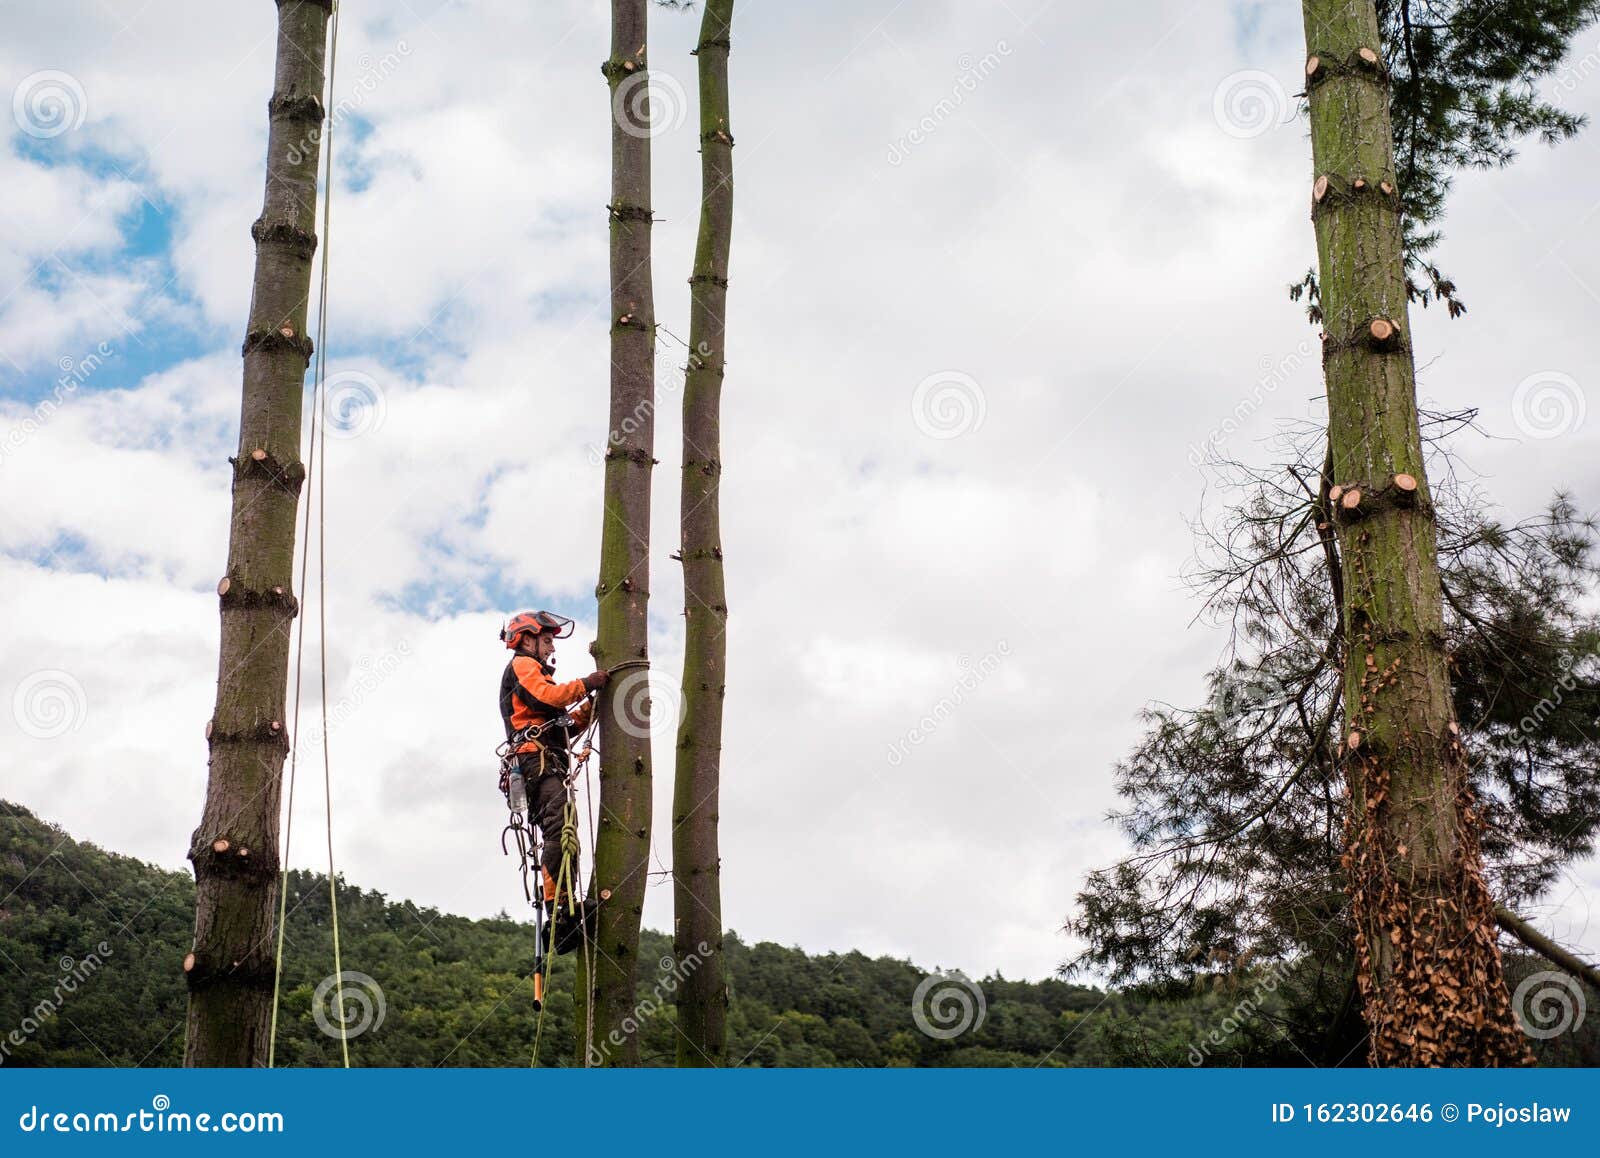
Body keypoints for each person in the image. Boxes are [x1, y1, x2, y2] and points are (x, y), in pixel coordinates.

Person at [497, 611, 609, 923]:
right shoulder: (523, 665)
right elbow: (549, 697)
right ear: (527, 638)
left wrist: (592, 706)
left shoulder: (535, 672)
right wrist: (588, 683)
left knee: (563, 830)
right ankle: (559, 908)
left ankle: (564, 904)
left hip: (545, 760)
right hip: (535, 760)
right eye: (547, 640)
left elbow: (563, 725)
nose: (552, 648)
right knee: (560, 827)